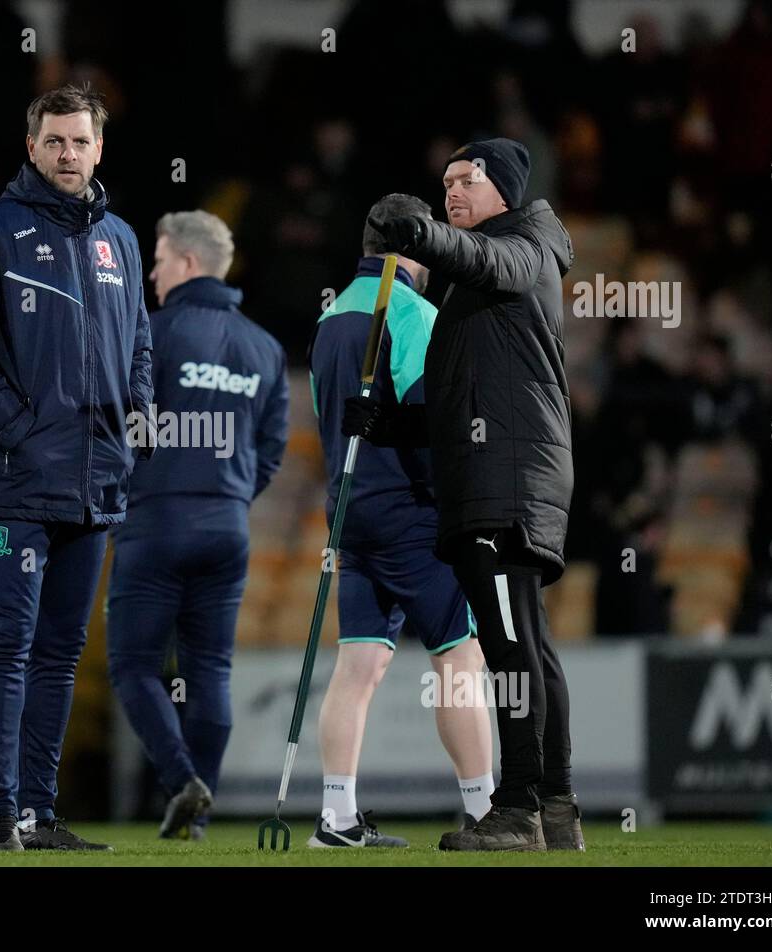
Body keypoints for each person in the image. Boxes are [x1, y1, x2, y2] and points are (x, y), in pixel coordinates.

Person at [0, 83, 153, 852]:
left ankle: (37, 811)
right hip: (15, 487)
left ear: (100, 149)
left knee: (60, 654)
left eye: (80, 141)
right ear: (31, 147)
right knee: (8, 644)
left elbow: (140, 346)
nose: (68, 154)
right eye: (54, 141)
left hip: (94, 485)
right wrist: (21, 434)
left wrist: (137, 422)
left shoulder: (120, 239)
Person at [348, 138, 584, 851]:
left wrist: (423, 235)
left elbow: (484, 257)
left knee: (510, 649)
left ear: (505, 189)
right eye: (445, 181)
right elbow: (463, 399)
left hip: (504, 478)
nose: (452, 190)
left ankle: (515, 809)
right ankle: (556, 807)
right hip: (502, 466)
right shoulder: (483, 277)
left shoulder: (521, 247)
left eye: (467, 180)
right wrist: (392, 423)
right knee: (530, 645)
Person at [307, 193, 493, 849]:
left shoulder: (330, 317)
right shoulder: (413, 312)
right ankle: (483, 811)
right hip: (410, 514)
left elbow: (329, 424)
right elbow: (427, 424)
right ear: (417, 246)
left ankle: (336, 818)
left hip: (345, 516)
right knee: (459, 658)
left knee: (356, 667)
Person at [107, 211, 289, 839]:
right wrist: (231, 494)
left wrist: (139, 491)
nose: (151, 273)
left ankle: (183, 779)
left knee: (135, 668)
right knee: (209, 671)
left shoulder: (149, 335)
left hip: (155, 523)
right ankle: (197, 821)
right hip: (228, 528)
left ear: (185, 263)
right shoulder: (264, 348)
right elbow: (271, 450)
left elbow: (120, 429)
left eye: (157, 260)